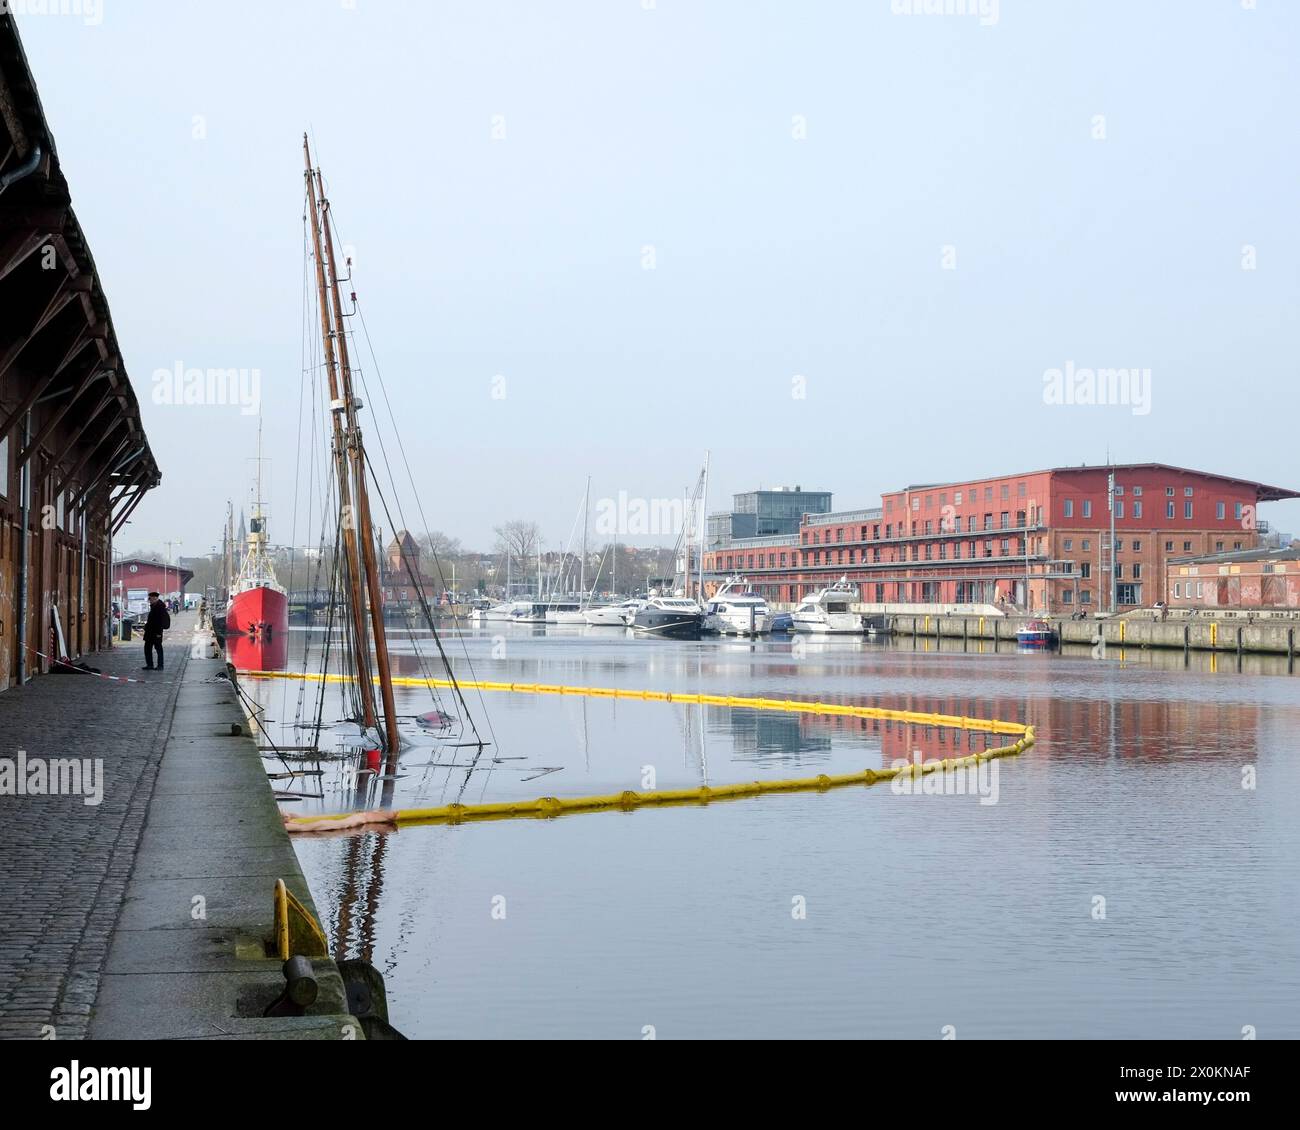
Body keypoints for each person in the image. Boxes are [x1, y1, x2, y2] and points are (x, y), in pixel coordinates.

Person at [142, 591, 171, 671]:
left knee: (158, 648)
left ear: (155, 598)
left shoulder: (159, 607)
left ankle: (160, 665)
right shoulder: (155, 606)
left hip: (155, 633)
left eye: (150, 599)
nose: (149, 601)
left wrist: (158, 633)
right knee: (148, 648)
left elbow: (159, 621)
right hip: (150, 632)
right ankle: (150, 665)